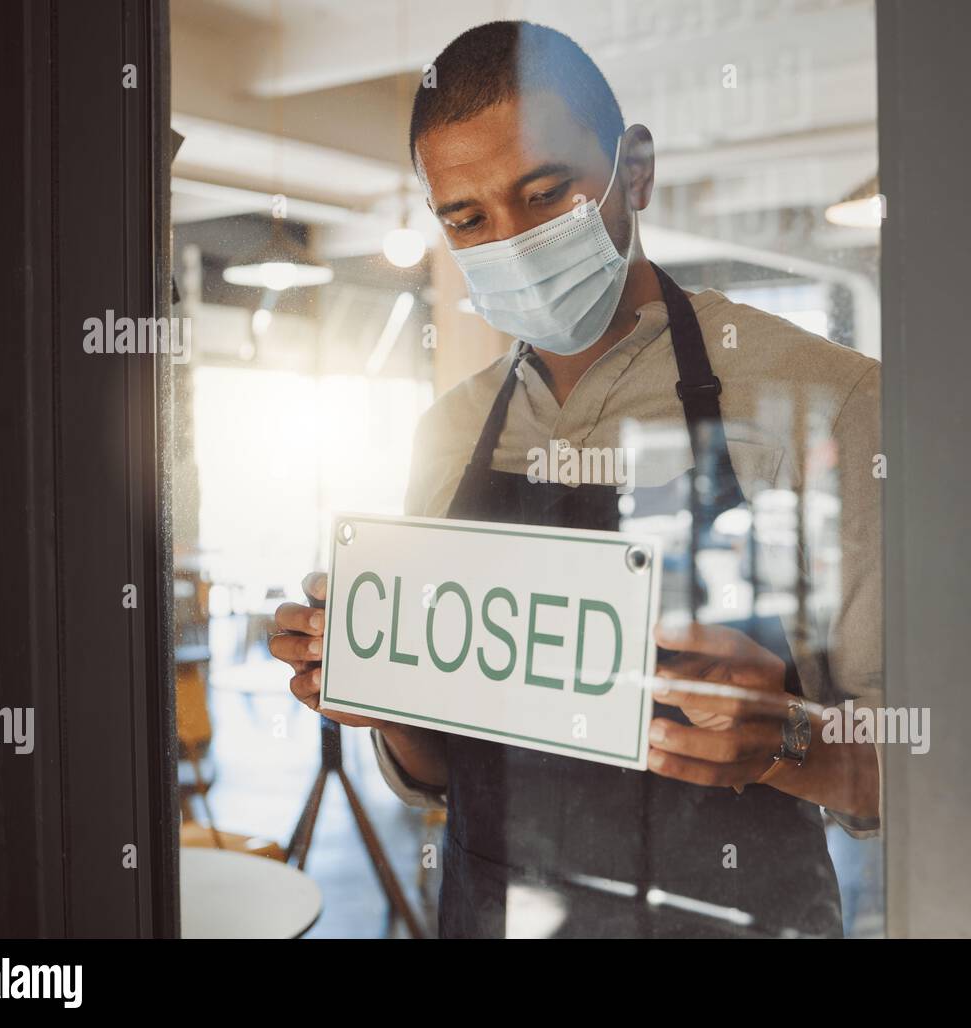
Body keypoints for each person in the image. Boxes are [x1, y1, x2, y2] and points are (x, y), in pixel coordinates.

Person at [270, 20, 882, 939]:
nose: (510, 242)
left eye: (546, 192)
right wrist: (378, 693)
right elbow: (440, 768)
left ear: (634, 171)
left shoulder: (825, 399)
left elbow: (939, 764)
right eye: (468, 218)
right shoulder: (447, 433)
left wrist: (792, 740)